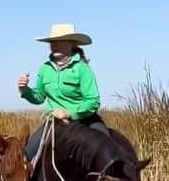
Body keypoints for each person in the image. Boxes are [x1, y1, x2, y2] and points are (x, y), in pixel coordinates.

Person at [17, 22, 108, 158]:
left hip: (85, 121)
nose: (55, 45)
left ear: (71, 44)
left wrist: (69, 113)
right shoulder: (45, 69)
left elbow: (93, 101)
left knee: (107, 148)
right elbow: (39, 97)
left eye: (60, 41)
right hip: (54, 123)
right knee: (26, 155)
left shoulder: (83, 69)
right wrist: (25, 89)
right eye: (52, 42)